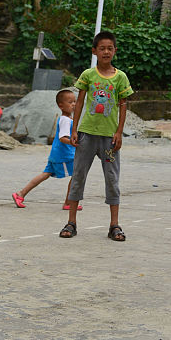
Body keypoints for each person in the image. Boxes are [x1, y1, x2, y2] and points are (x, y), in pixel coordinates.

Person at [60, 31, 133, 241]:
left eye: (110, 48)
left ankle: (114, 225)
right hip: (87, 135)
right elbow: (80, 103)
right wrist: (74, 130)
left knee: (112, 179)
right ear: (94, 51)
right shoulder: (88, 75)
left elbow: (123, 105)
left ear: (115, 51)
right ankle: (71, 222)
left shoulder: (121, 77)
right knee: (78, 176)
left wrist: (119, 132)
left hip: (109, 139)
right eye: (102, 48)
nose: (106, 52)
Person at [12, 89, 81, 210]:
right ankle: (69, 202)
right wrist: (73, 142)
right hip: (64, 155)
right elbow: (63, 138)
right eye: (70, 102)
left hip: (56, 153)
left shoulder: (66, 119)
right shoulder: (66, 120)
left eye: (75, 101)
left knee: (45, 174)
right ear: (61, 106)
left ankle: (20, 194)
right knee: (77, 176)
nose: (74, 104)